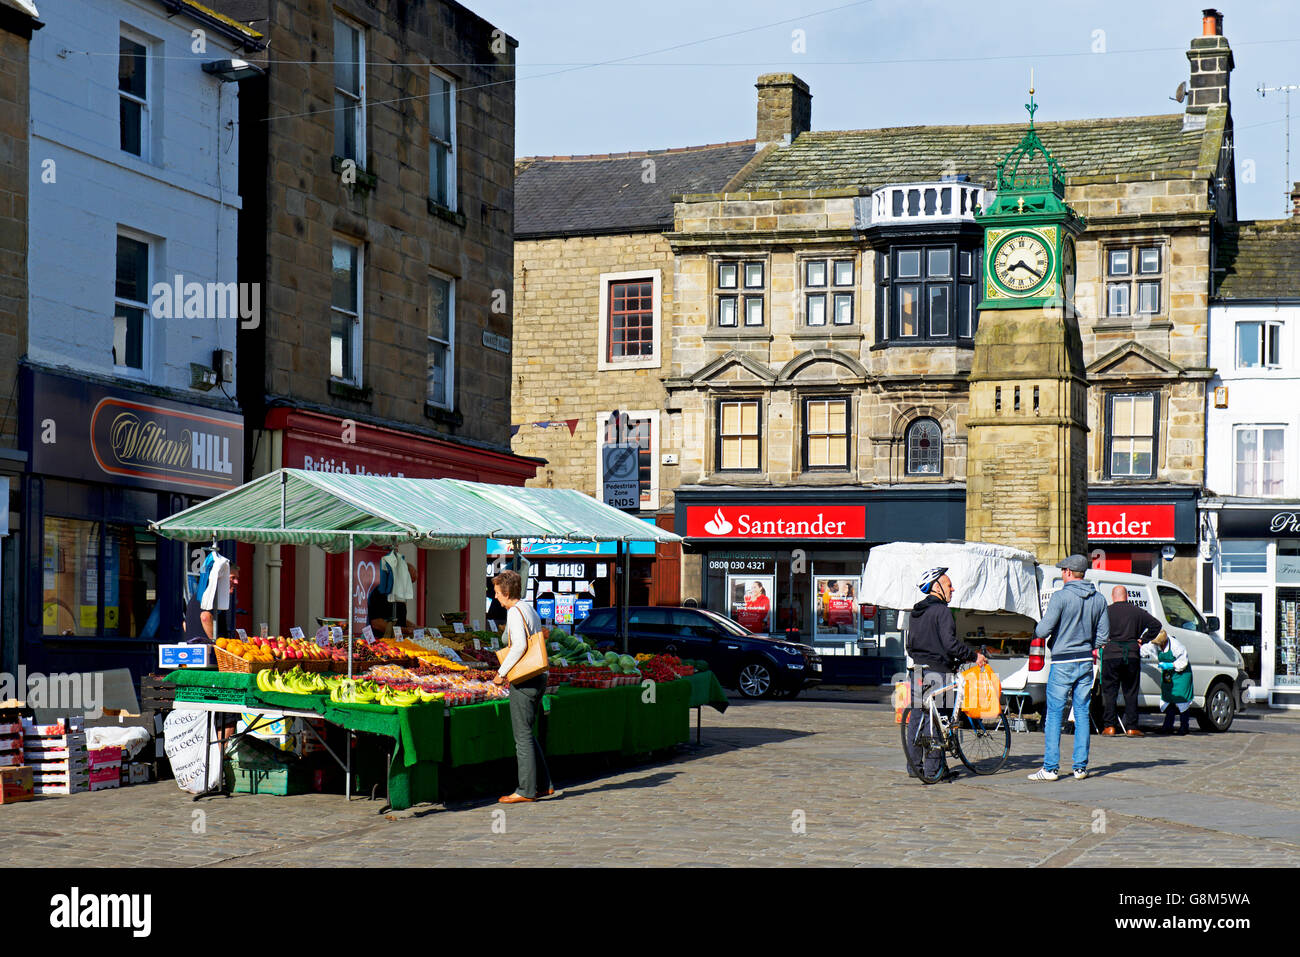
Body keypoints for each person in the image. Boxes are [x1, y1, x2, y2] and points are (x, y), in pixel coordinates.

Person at [1029, 555, 1111, 782]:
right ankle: (1080, 767)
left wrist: (1038, 629)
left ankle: (1050, 768)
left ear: (1067, 572)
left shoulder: (1060, 597)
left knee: (1054, 713)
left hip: (1062, 661)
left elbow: (1043, 630)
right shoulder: (1099, 599)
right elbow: (1104, 635)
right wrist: (1087, 645)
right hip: (1086, 661)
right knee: (1082, 712)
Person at [903, 566, 987, 780]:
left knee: (917, 718)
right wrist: (973, 656)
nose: (953, 589)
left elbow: (910, 646)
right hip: (939, 672)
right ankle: (934, 771)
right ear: (937, 586)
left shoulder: (915, 612)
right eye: (949, 585)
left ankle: (914, 767)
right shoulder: (942, 611)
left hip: (918, 670)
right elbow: (950, 644)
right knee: (938, 721)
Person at [491, 570, 555, 803]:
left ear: (507, 592)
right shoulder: (528, 608)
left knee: (522, 736)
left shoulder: (515, 613)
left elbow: (518, 647)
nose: (496, 597)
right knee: (528, 732)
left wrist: (501, 673)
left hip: (525, 678)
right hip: (538, 676)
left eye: (497, 592)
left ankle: (525, 790)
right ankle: (544, 784)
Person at [1102, 584, 1162, 736]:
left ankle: (1109, 727)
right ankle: (1131, 727)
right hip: (1131, 654)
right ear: (1127, 596)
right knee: (1131, 691)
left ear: (1113, 597)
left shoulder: (1106, 611)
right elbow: (1156, 625)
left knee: (1110, 692)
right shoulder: (1137, 611)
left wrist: (1102, 641)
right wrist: (1143, 639)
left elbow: (1095, 628)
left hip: (1111, 653)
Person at [1141, 629, 1194, 734]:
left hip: (1181, 674)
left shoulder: (1176, 646)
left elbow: (1183, 662)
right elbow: (1145, 650)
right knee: (1168, 697)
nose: (1158, 647)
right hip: (1168, 673)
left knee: (1181, 699)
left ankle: (1184, 726)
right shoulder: (1156, 643)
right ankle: (1168, 725)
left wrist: (1171, 665)